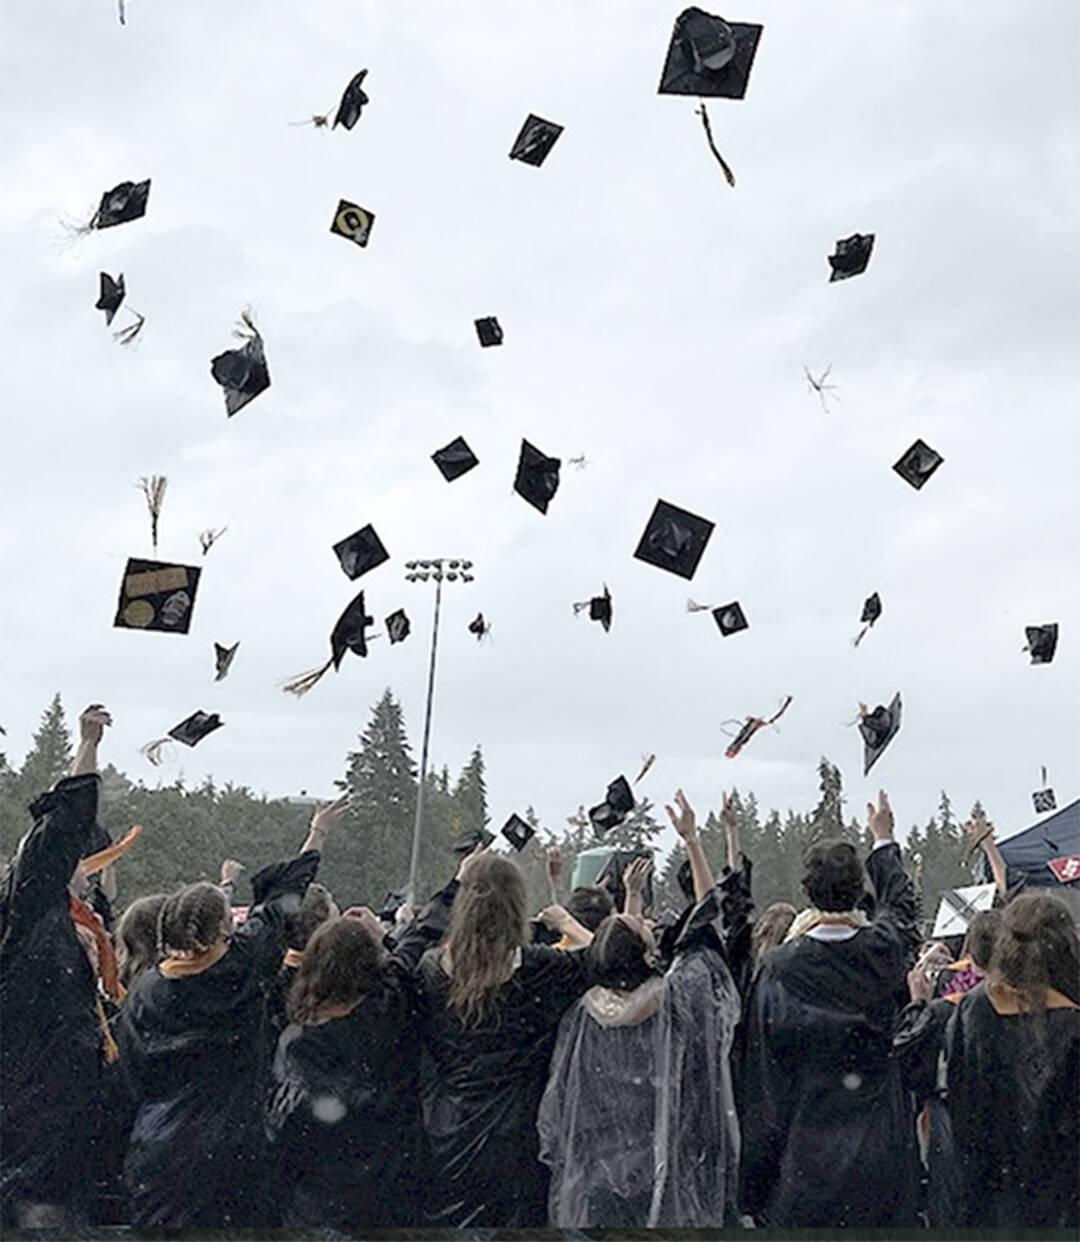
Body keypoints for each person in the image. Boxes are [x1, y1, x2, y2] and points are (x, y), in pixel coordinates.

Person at [117, 795, 347, 1229]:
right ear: (225, 927)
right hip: (232, 1150)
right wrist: (317, 833)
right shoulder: (241, 968)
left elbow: (130, 1075)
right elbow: (283, 902)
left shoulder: (145, 991)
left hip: (160, 1147)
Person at [538, 790, 744, 1229]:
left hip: (599, 1176)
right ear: (649, 955)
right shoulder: (677, 1001)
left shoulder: (582, 1014)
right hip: (661, 1169)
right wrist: (692, 841)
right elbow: (706, 925)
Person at [738, 790, 920, 1228]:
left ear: (806, 893)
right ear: (860, 892)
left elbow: (764, 1084)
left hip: (807, 1155)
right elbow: (902, 909)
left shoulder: (776, 970)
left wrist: (753, 1187)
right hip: (881, 1151)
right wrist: (884, 841)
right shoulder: (884, 951)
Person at [266, 865, 460, 1228]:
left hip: (320, 1201)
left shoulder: (294, 1040)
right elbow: (416, 941)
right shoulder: (392, 1007)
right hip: (392, 1189)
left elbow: (282, 1134)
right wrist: (456, 885)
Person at [416, 851, 591, 1227]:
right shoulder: (541, 969)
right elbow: (612, 958)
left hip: (448, 1130)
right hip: (518, 1133)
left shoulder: (430, 969)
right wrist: (567, 921)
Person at [0, 704, 115, 1230]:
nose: (87, 869)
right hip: (33, 1105)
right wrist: (87, 749)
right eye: (79, 860)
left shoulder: (73, 922)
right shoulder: (26, 914)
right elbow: (58, 831)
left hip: (66, 1110)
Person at [942, 892, 1079, 1228]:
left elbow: (959, 1100)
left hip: (991, 1189)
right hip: (1063, 1194)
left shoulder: (974, 1010)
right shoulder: (1073, 1020)